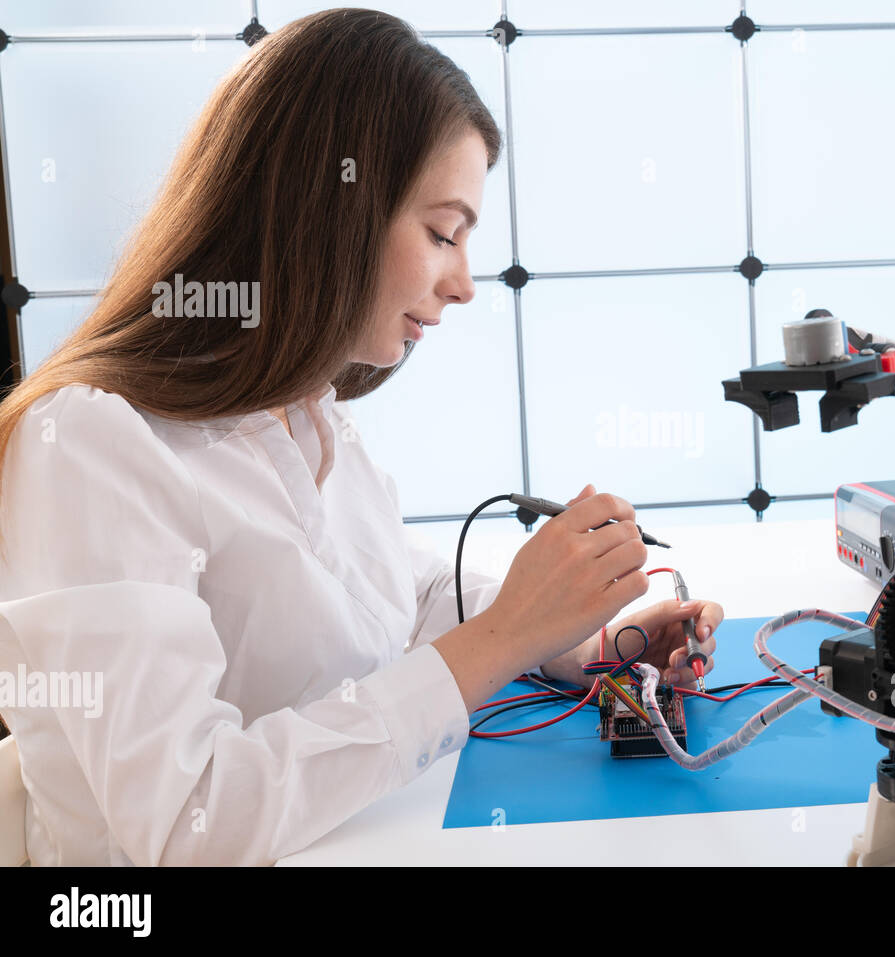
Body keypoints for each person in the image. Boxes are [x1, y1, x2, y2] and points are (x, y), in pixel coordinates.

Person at [0, 8, 723, 866]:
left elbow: (397, 599)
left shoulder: (302, 411)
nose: (462, 283)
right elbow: (186, 821)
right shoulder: (90, 444)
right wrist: (499, 642)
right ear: (327, 207)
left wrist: (580, 640)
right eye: (443, 233)